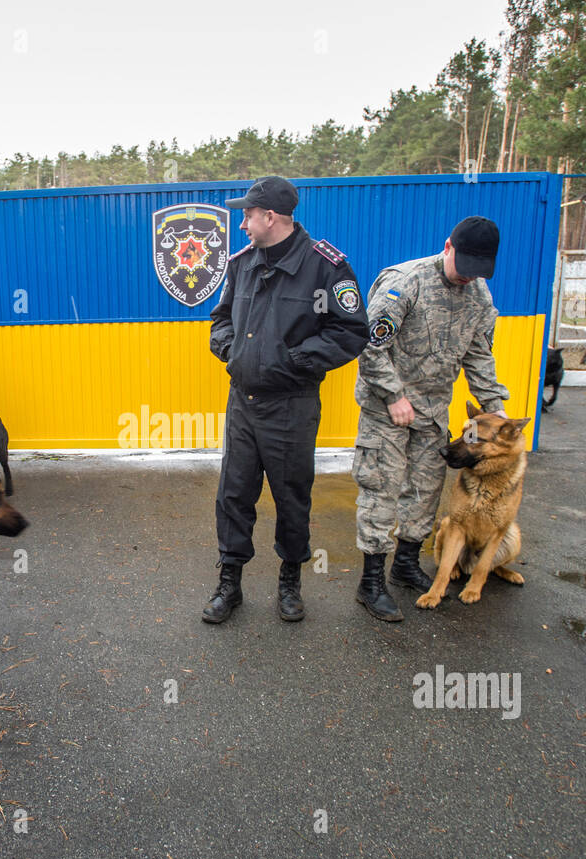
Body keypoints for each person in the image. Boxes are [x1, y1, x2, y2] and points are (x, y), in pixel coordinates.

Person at [204, 175, 370, 624]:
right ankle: (230, 582)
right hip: (243, 402)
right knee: (233, 494)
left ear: (270, 217)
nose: (242, 225)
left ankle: (290, 581)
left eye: (247, 215)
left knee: (291, 497)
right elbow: (220, 320)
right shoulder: (242, 265)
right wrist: (230, 350)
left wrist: (295, 360)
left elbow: (352, 330)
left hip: (292, 406)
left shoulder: (326, 267)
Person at [353, 216, 511, 622]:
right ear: (447, 247)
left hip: (433, 410)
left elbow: (478, 354)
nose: (468, 277)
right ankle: (371, 582)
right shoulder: (405, 282)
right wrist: (394, 395)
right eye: (464, 266)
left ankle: (406, 565)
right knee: (381, 488)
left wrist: (494, 404)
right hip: (386, 409)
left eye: (479, 270)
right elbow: (369, 347)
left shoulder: (478, 294)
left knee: (424, 490)